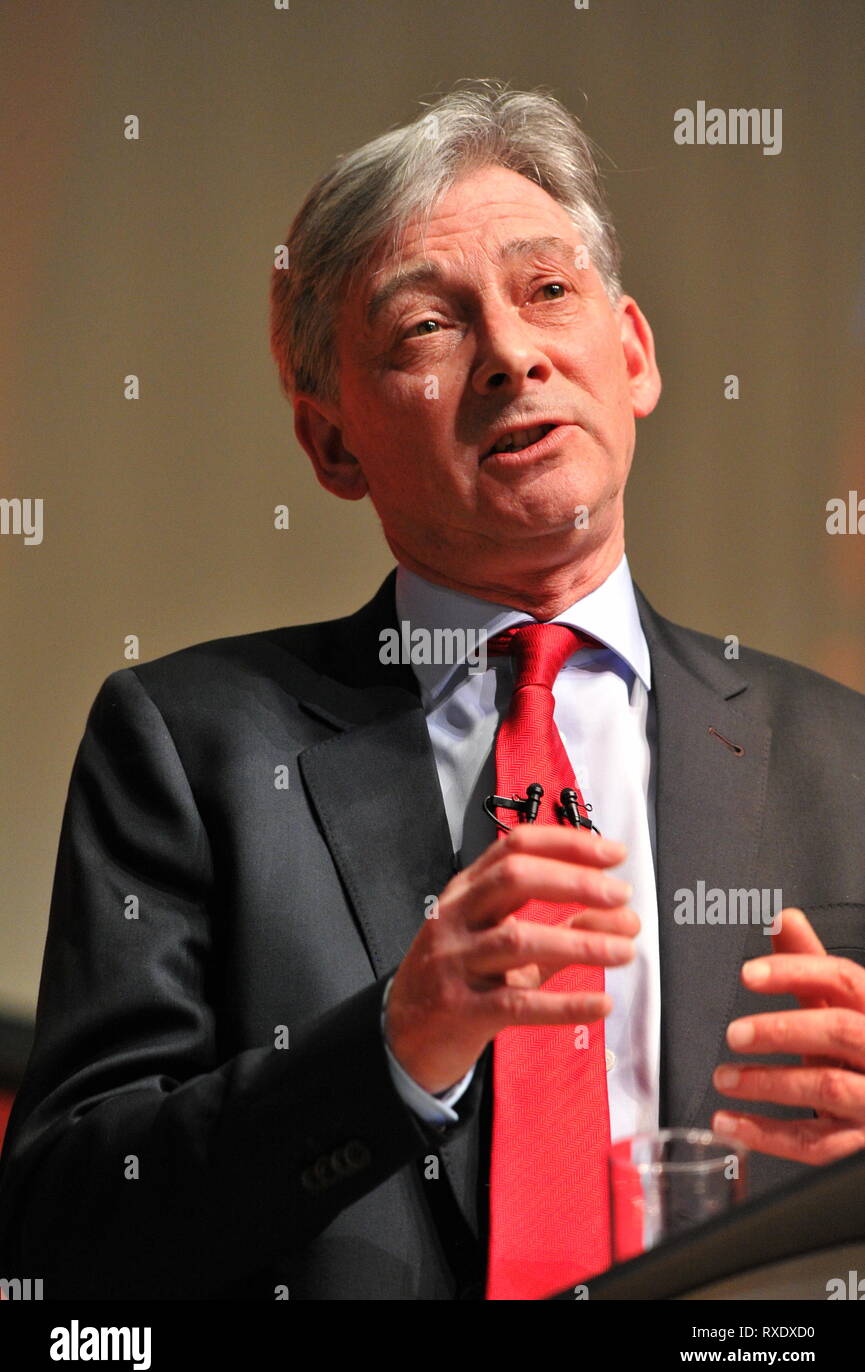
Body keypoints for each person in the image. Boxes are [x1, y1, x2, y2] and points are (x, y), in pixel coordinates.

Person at [1, 80, 864, 1302]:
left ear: (631, 355)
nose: (513, 353)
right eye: (425, 328)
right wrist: (395, 1045)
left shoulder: (843, 758)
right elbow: (61, 1236)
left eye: (547, 290)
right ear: (333, 443)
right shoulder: (192, 750)